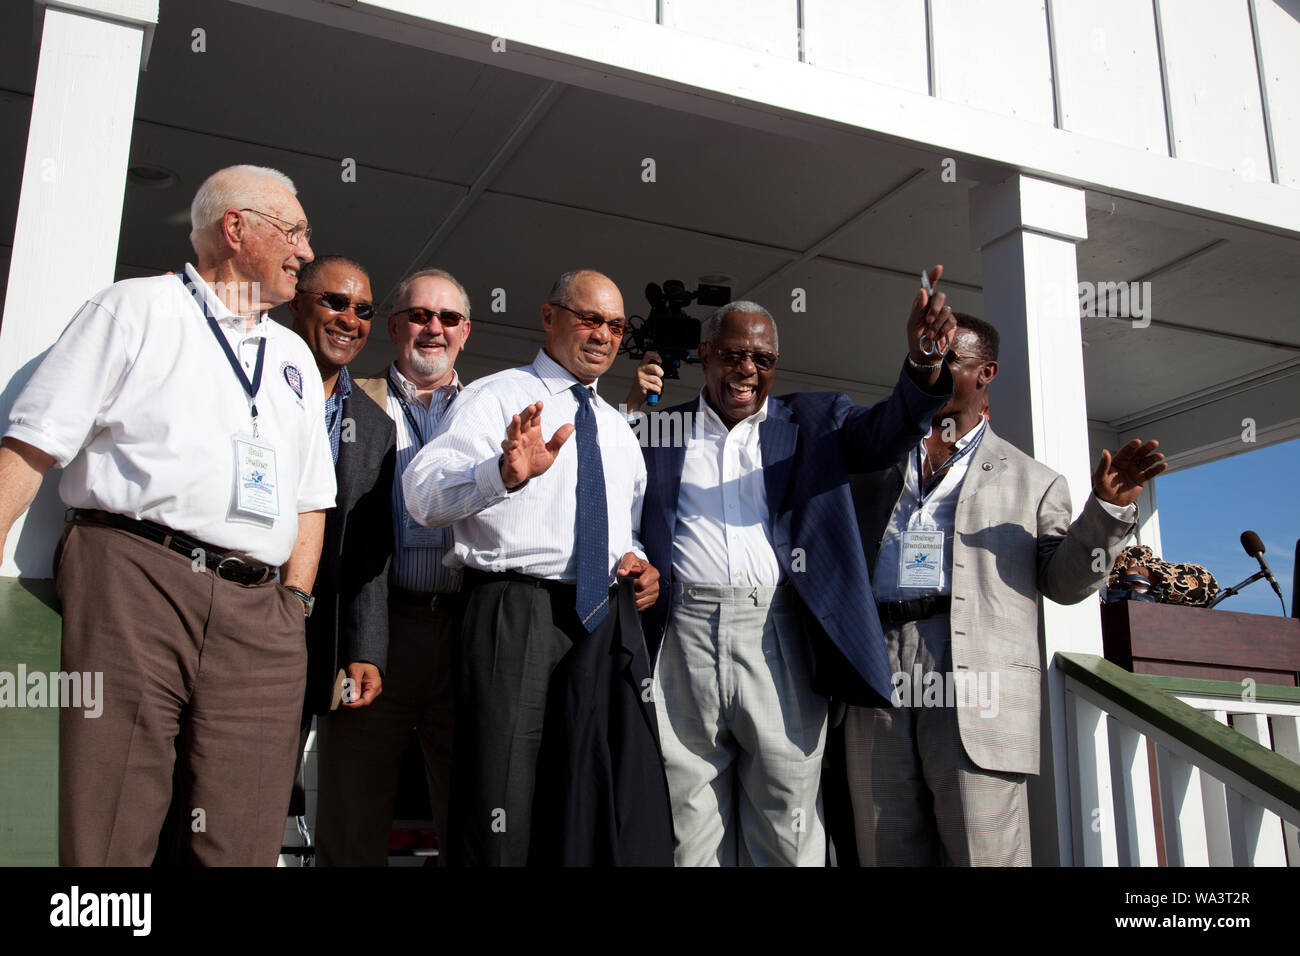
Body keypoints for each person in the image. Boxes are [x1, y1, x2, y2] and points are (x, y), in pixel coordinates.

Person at [0, 164, 335, 865]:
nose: (305, 252)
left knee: (241, 836)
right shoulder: (132, 309)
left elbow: (311, 496)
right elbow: (30, 449)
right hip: (134, 583)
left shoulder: (293, 354)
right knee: (111, 817)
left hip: (260, 613)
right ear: (236, 228)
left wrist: (294, 603)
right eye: (295, 231)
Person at [628, 273, 956, 866]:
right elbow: (617, 514)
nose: (747, 369)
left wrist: (923, 361)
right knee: (686, 825)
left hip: (777, 636)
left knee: (788, 818)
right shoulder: (657, 431)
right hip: (681, 637)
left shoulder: (815, 420)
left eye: (762, 358)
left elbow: (884, 435)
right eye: (732, 355)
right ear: (704, 357)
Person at [832, 312, 1165, 865]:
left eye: (947, 361)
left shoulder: (1034, 481)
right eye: (926, 359)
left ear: (986, 372)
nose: (933, 373)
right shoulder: (878, 459)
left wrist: (1108, 512)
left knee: (982, 853)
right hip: (877, 663)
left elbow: (1065, 583)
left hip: (973, 675)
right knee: (884, 847)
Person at [402, 268, 671, 866]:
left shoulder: (618, 432)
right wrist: (500, 475)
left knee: (581, 798)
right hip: (512, 613)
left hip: (599, 623)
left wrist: (641, 567)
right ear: (549, 317)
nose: (603, 334)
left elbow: (622, 531)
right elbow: (421, 498)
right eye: (589, 318)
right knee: (500, 800)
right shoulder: (495, 397)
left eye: (615, 325)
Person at [312, 268, 470, 865]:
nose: (434, 329)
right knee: (351, 817)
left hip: (463, 632)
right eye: (420, 316)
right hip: (371, 627)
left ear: (465, 332)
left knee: (474, 814)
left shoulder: (491, 410)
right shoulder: (352, 400)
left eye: (448, 318)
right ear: (395, 325)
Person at [285, 254, 394, 847]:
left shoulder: (375, 427)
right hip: (231, 605)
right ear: (297, 302)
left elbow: (369, 549)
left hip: (309, 637)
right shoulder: (254, 378)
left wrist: (365, 648)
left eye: (363, 309)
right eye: (334, 302)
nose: (349, 318)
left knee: (263, 789)